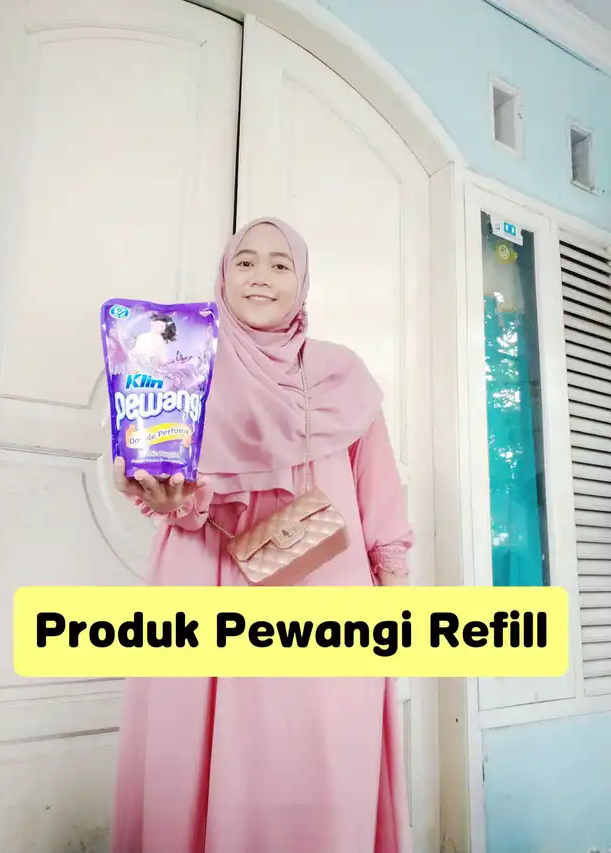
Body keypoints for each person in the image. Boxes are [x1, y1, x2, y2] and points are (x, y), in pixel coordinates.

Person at [109, 217, 414, 853]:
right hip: (205, 577)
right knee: (195, 748)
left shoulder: (340, 374)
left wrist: (395, 600)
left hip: (325, 588)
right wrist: (165, 497)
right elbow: (174, 490)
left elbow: (378, 487)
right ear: (224, 276)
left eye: (281, 264)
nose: (261, 277)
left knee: (321, 752)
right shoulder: (179, 365)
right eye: (245, 262)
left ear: (303, 282)